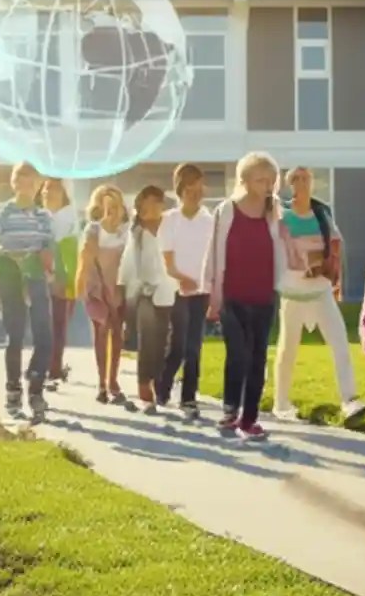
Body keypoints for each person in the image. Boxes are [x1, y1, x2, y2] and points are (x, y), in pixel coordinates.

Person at [203, 151, 301, 440]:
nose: (268, 185)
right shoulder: (227, 210)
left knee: (258, 357)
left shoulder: (275, 212)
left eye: (272, 180)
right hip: (232, 295)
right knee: (238, 354)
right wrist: (214, 295)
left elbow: (283, 251)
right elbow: (215, 253)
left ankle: (250, 419)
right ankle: (230, 411)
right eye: (261, 179)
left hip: (263, 295)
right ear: (244, 180)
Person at [273, 166, 365, 425]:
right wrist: (306, 262)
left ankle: (349, 400)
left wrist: (330, 270)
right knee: (287, 350)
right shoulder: (281, 215)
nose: (302, 183)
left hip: (321, 290)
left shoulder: (322, 212)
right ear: (289, 184)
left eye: (307, 178)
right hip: (293, 293)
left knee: (340, 343)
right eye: (297, 179)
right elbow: (283, 251)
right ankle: (280, 402)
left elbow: (335, 243)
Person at [0, 162, 56, 422]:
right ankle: (13, 389)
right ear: (13, 183)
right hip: (10, 276)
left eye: (30, 180)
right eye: (19, 179)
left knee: (44, 335)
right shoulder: (1, 215)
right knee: (14, 334)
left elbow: (48, 247)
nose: (25, 185)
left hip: (36, 276)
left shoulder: (43, 217)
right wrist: (6, 266)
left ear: (36, 184)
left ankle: (36, 388)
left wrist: (48, 267)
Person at [158, 163, 215, 421]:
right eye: (189, 186)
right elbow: (167, 262)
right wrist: (182, 278)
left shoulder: (210, 221)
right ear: (180, 188)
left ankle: (189, 398)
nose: (195, 191)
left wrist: (212, 290)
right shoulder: (169, 220)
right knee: (178, 345)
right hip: (177, 291)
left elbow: (215, 259)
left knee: (194, 347)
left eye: (198, 185)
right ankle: (163, 388)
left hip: (202, 292)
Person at [118, 185, 176, 415]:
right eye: (146, 202)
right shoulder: (137, 233)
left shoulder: (170, 228)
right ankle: (145, 387)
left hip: (170, 290)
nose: (151, 207)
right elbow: (128, 264)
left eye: (156, 201)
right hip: (144, 293)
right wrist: (122, 292)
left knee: (166, 343)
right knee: (148, 342)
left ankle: (159, 382)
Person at [77, 183, 135, 409]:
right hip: (98, 287)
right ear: (99, 206)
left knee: (117, 334)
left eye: (116, 205)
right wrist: (83, 285)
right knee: (101, 332)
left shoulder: (127, 231)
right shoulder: (93, 230)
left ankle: (113, 381)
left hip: (120, 286)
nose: (112, 210)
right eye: (107, 205)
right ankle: (101, 383)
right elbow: (86, 259)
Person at [40, 177, 79, 390]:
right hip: (42, 277)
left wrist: (63, 277)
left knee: (58, 325)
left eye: (53, 189)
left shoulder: (68, 218)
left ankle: (53, 369)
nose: (47, 193)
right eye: (45, 189)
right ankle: (48, 366)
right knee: (44, 325)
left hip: (63, 278)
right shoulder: (40, 216)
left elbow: (71, 252)